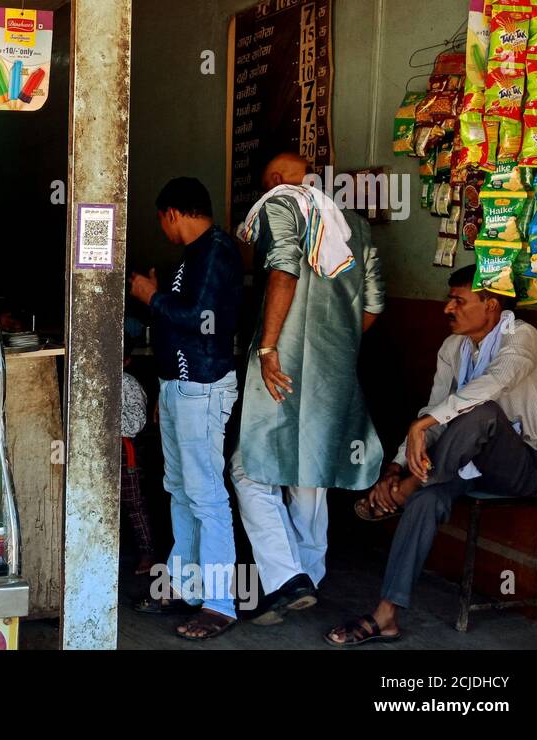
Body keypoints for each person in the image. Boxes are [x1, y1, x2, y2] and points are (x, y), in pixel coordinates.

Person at [325, 266, 537, 646]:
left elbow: (493, 384)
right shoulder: (454, 348)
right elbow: (433, 413)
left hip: (528, 466)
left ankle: (410, 489)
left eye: (459, 301)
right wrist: (397, 465)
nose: (447, 308)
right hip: (464, 464)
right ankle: (386, 615)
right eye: (449, 299)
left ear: (491, 305)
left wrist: (416, 453)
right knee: (426, 502)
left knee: (482, 413)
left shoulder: (521, 337)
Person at [231, 152, 386, 626]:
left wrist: (271, 347)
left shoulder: (282, 204)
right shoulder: (355, 225)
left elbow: (283, 270)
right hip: (333, 370)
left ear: (276, 181)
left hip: (283, 363)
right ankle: (307, 579)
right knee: (311, 477)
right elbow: (375, 304)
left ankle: (286, 577)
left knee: (249, 469)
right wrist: (334, 347)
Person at [128, 177, 244, 640]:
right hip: (181, 385)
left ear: (172, 212)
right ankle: (182, 584)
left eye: (162, 221)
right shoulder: (195, 255)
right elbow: (186, 313)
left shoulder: (216, 251)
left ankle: (220, 602)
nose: (164, 230)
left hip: (204, 383)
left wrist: (149, 296)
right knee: (179, 487)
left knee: (207, 496)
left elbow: (202, 319)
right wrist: (164, 388)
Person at [120, 332, 155, 577]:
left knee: (134, 504)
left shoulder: (128, 384)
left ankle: (148, 552)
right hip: (95, 449)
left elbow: (136, 423)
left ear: (126, 361)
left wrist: (105, 423)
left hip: (124, 450)